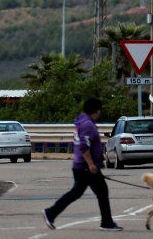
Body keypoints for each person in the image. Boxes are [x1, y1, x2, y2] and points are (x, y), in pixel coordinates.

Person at [42, 97, 122, 231]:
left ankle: (51, 213)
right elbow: (84, 146)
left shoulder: (84, 122)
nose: (100, 112)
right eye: (99, 110)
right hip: (86, 167)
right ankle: (106, 223)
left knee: (76, 193)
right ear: (96, 110)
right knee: (102, 191)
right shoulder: (87, 124)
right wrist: (91, 164)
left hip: (81, 166)